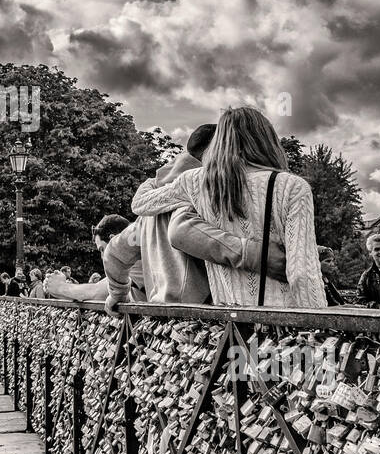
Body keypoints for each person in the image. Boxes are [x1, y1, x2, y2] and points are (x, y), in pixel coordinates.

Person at [130, 106, 326, 308]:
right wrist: (318, 325)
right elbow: (302, 273)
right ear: (266, 139)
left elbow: (140, 204)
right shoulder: (291, 187)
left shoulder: (195, 183)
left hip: (231, 323)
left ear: (220, 141)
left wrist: (157, 177)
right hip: (282, 323)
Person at [111, 121, 287, 312]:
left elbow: (114, 254)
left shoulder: (146, 216)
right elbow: (181, 231)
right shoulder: (195, 194)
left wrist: (118, 295)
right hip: (201, 319)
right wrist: (258, 256)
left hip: (162, 319)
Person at [46, 216, 144, 302]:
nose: (102, 257)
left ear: (113, 240)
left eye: (102, 249)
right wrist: (55, 288)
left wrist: (60, 287)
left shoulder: (136, 263)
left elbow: (95, 292)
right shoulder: (142, 254)